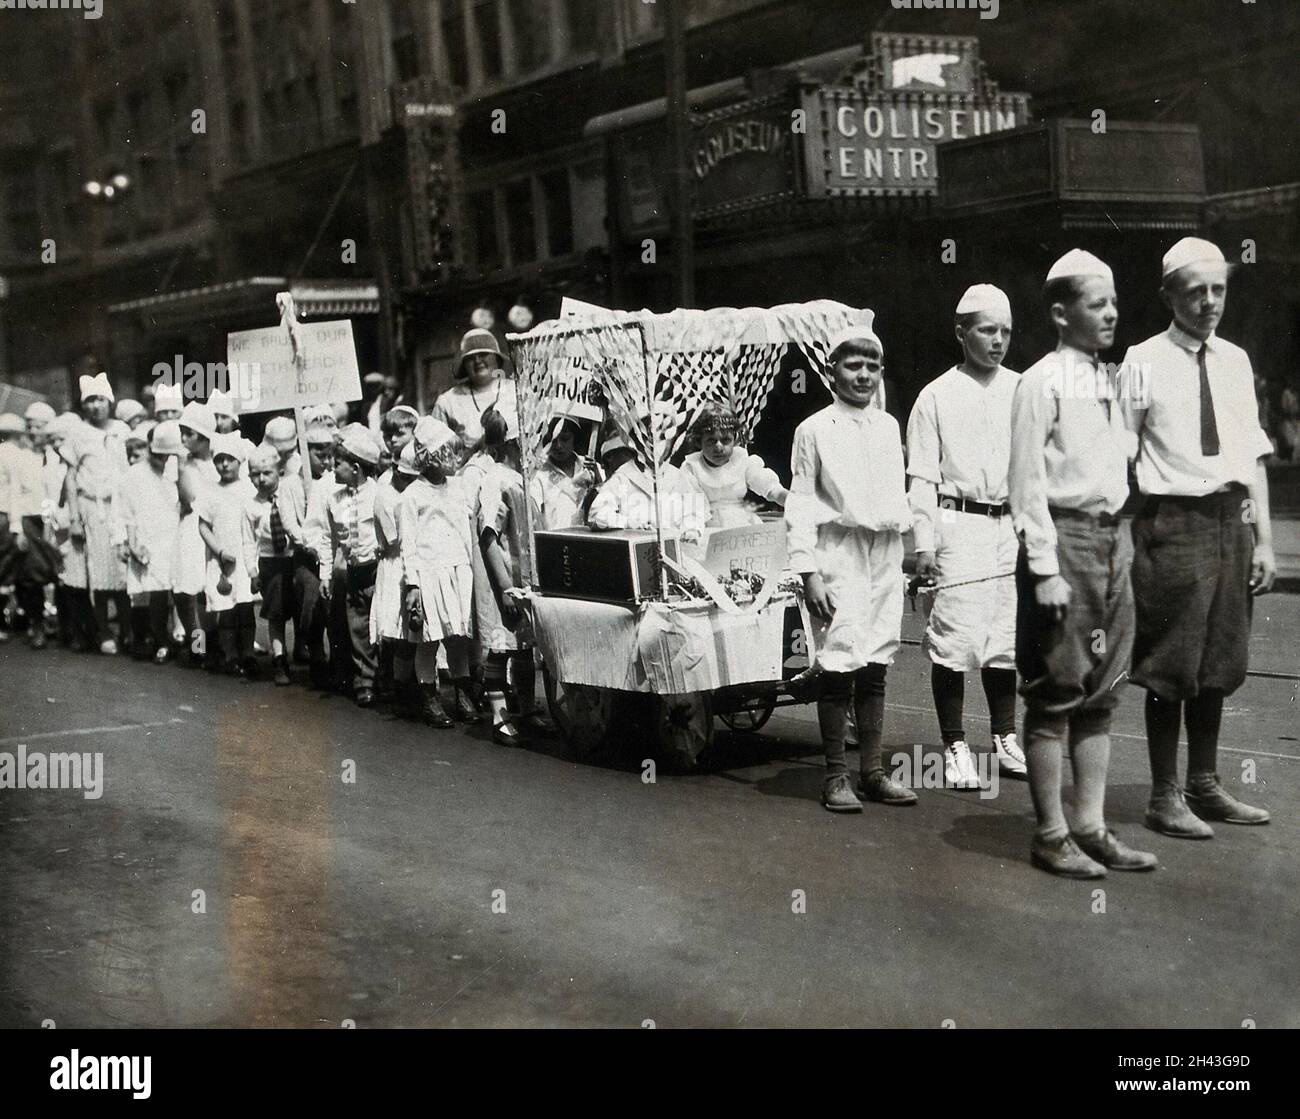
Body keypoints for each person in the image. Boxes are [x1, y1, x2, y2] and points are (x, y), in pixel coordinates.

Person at [1119, 237, 1276, 837]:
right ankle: (1164, 795)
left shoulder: (1235, 360)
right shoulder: (1142, 359)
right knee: (1170, 663)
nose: (1210, 302)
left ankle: (1204, 785)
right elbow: (1119, 446)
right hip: (1173, 524)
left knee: (1218, 658)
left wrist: (1263, 540)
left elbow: (1253, 456)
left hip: (1229, 524)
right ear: (1168, 296)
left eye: (1219, 290)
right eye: (1196, 292)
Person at [1008, 248, 1157, 878]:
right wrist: (1044, 568)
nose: (1112, 314)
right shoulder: (1039, 381)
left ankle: (1090, 826)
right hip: (1062, 543)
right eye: (1098, 304)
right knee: (1057, 690)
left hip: (1110, 538)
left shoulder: (1108, 380)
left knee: (1102, 691)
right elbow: (1026, 481)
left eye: (1115, 302)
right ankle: (1050, 833)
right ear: (1060, 313)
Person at [786, 323, 917, 813]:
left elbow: (895, 495)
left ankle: (873, 771)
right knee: (841, 659)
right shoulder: (814, 429)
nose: (862, 375)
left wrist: (909, 550)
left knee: (877, 659)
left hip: (883, 552)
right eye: (852, 365)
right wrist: (809, 571)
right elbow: (800, 503)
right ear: (831, 371)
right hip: (838, 550)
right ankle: (836, 775)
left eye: (871, 366)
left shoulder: (887, 426)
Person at [907, 284, 1025, 787]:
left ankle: (1004, 736)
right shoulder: (935, 395)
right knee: (955, 637)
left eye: (1005, 331)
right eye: (987, 330)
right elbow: (923, 478)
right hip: (957, 523)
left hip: (1010, 525)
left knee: (1005, 636)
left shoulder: (1023, 389)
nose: (998, 341)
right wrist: (925, 544)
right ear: (961, 332)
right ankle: (954, 745)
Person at [474, 406, 550, 744]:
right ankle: (499, 716)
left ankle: (526, 708)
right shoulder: (496, 480)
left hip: (526, 576)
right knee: (500, 647)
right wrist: (504, 587)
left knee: (523, 646)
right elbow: (489, 535)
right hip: (504, 577)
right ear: (506, 445)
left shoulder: (523, 478)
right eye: (522, 443)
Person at [396, 417, 477, 728]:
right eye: (446, 453)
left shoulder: (458, 487)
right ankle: (430, 698)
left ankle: (463, 694)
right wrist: (413, 584)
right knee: (429, 639)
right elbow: (409, 545)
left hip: (458, 569)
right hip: (429, 573)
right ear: (430, 456)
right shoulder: (412, 496)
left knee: (457, 637)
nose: (452, 459)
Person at [320, 424, 383, 707]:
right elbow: (330, 538)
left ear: (356, 468)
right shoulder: (335, 500)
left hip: (377, 570)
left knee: (380, 626)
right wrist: (327, 574)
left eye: (338, 464)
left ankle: (387, 679)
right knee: (357, 627)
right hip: (352, 571)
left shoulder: (378, 494)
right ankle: (364, 681)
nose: (333, 469)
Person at [113, 420, 183, 662]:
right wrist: (130, 543)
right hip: (148, 540)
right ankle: (159, 641)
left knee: (189, 596)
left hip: (179, 537)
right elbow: (125, 512)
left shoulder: (179, 470)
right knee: (154, 593)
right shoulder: (134, 476)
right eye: (158, 454)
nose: (163, 461)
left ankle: (198, 647)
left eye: (169, 455)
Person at [71, 372, 130, 654]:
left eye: (100, 400)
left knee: (124, 570)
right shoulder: (78, 433)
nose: (96, 406)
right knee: (99, 572)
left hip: (122, 507)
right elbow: (71, 477)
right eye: (90, 401)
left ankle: (130, 630)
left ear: (110, 402)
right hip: (92, 509)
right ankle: (103, 631)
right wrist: (74, 518)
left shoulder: (122, 429)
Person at [197, 431, 256, 676]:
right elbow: (203, 525)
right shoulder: (210, 491)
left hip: (244, 556)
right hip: (221, 557)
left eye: (229, 459)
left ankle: (248, 653)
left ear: (240, 461)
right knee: (226, 610)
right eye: (219, 459)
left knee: (246, 607)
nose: (224, 464)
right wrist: (219, 551)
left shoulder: (249, 488)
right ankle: (230, 653)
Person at [1, 403, 61, 648]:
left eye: (40, 426)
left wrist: (51, 521)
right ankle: (36, 625)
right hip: (28, 519)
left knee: (60, 573)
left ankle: (66, 625)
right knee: (31, 574)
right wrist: (16, 526)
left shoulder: (56, 456)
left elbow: (55, 492)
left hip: (53, 518)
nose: (35, 431)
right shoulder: (20, 457)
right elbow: (16, 492)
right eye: (31, 426)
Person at [282, 420, 335, 686]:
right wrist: (310, 544)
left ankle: (336, 658)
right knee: (311, 601)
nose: (325, 461)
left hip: (330, 552)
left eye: (329, 456)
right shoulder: (291, 484)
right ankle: (315, 652)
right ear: (305, 452)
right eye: (319, 455)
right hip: (306, 554)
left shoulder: (331, 481)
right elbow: (290, 524)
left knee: (333, 605)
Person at [243, 444, 299, 686]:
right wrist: (252, 571)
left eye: (267, 472)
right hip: (270, 564)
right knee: (276, 614)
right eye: (255, 474)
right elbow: (248, 541)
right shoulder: (251, 507)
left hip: (294, 559)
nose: (261, 479)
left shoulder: (291, 494)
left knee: (299, 609)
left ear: (279, 472)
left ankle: (304, 650)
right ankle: (279, 658)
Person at [372, 442, 421, 714]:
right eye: (404, 477)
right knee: (398, 628)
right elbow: (393, 540)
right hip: (394, 565)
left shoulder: (412, 494)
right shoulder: (385, 496)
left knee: (413, 629)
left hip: (412, 559)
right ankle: (399, 682)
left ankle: (409, 678)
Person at [680, 403, 787, 529]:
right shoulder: (692, 467)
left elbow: (770, 488)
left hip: (742, 523)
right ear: (699, 441)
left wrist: (792, 500)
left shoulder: (742, 460)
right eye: (711, 441)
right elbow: (694, 509)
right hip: (707, 526)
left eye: (725, 440)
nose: (718, 447)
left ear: (734, 439)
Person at [588, 431, 708, 540]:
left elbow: (694, 512)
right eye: (646, 438)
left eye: (662, 437)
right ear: (635, 442)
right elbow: (597, 516)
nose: (655, 444)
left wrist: (691, 530)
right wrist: (631, 523)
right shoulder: (623, 477)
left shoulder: (678, 476)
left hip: (675, 551)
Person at [432, 329, 518, 466]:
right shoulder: (448, 401)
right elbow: (434, 445)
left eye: (483, 354)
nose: (478, 361)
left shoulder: (516, 391)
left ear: (496, 358)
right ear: (464, 365)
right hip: (467, 475)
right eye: (470, 358)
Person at [175, 402, 219, 668]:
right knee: (187, 588)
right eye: (182, 432)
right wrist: (180, 469)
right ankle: (196, 643)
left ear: (204, 435)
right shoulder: (182, 466)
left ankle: (211, 642)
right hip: (189, 527)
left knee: (207, 589)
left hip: (211, 527)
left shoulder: (218, 462)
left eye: (189, 433)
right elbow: (189, 498)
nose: (183, 439)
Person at [528, 414, 599, 530]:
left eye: (565, 439)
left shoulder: (590, 468)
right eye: (553, 441)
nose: (559, 446)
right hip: (555, 543)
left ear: (575, 438)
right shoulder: (538, 476)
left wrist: (598, 482)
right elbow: (533, 518)